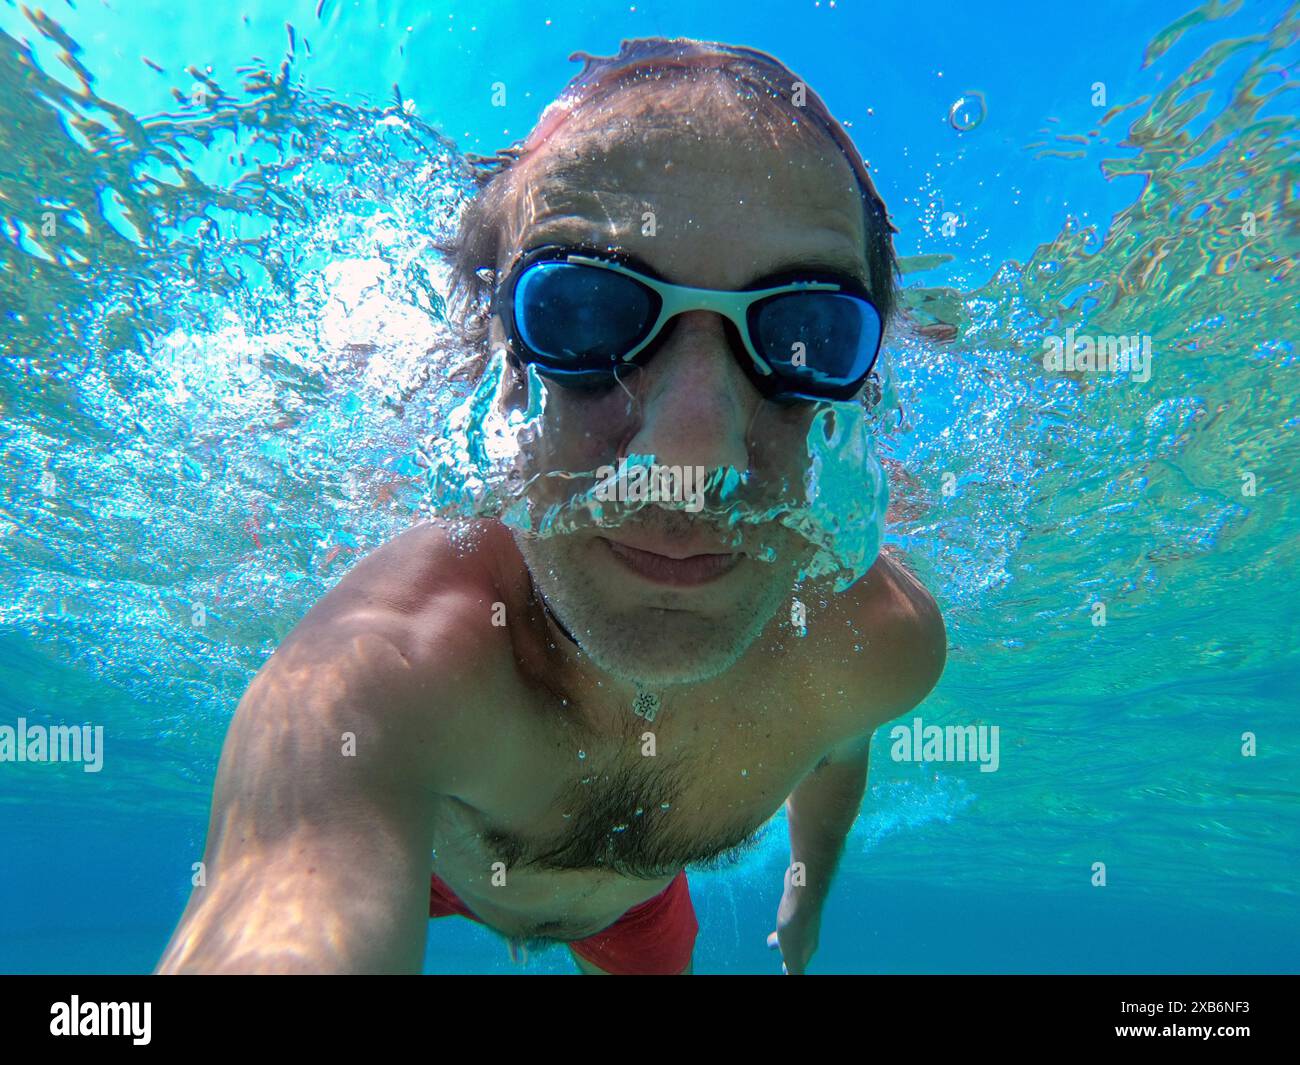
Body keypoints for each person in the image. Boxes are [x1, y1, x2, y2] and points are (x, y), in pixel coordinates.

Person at [156, 36, 945, 976]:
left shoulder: (878, 646)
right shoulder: (382, 673)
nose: (689, 454)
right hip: (444, 877)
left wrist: (805, 899)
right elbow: (286, 897)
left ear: (857, 399)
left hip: (638, 911)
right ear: (485, 368)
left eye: (809, 334)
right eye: (584, 311)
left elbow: (836, 752)